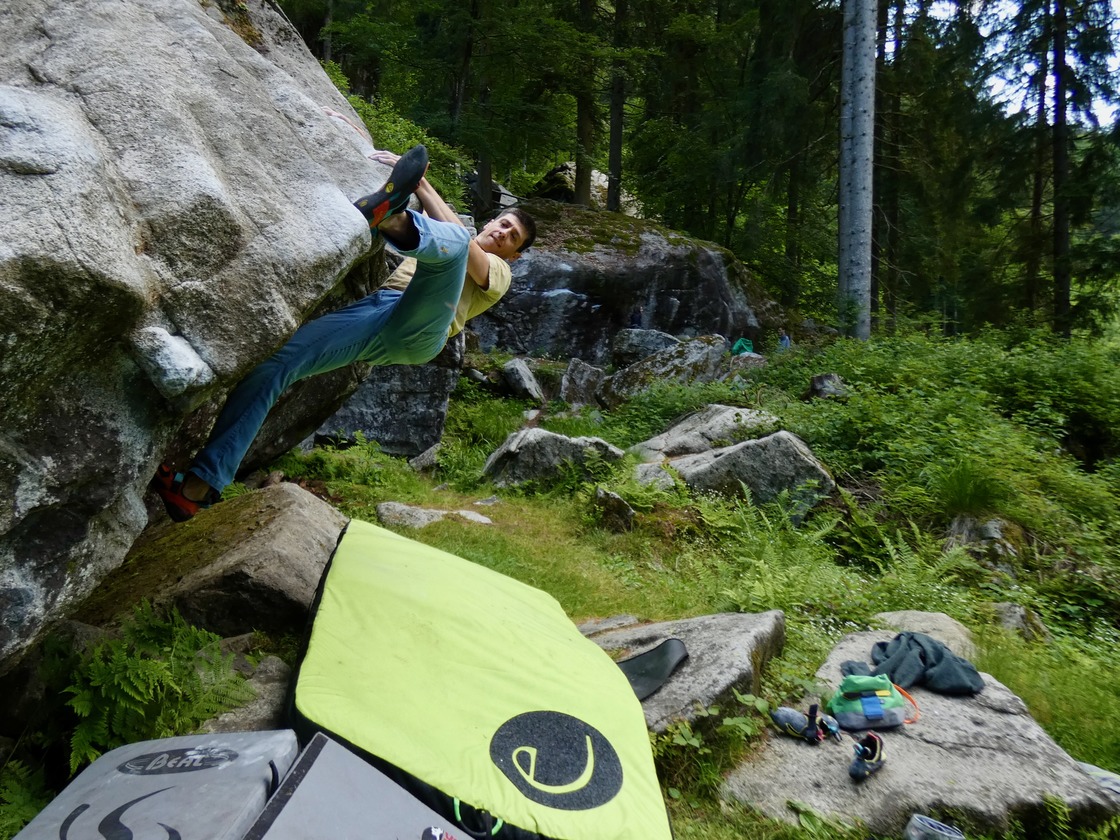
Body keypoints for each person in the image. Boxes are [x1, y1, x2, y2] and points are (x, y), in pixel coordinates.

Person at [152, 144, 536, 521]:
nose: (504, 233)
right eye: (503, 223)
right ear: (490, 221)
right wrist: (405, 173)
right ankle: (199, 487)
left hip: (421, 330)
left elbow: (468, 252)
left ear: (515, 254)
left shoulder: (501, 272)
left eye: (513, 236)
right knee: (276, 366)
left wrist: (421, 185)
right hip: (378, 311)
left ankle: (389, 218)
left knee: (453, 241)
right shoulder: (459, 236)